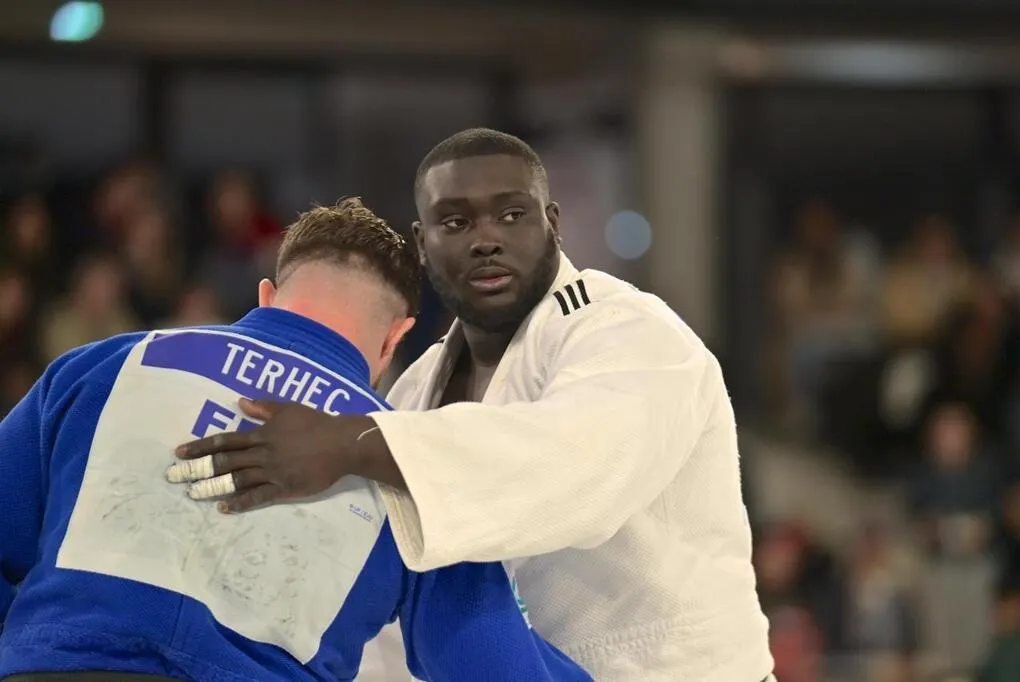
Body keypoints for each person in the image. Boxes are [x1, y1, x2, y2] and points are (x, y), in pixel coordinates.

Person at [171, 129, 774, 681]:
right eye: (454, 222)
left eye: (512, 215)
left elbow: (579, 466)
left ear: (553, 224)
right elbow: (397, 608)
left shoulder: (629, 330)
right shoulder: (414, 394)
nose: (486, 240)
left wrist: (344, 442)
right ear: (422, 244)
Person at [0, 198, 590, 682]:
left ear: (265, 297)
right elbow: (488, 660)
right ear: (395, 341)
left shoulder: (102, 369)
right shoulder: (404, 457)